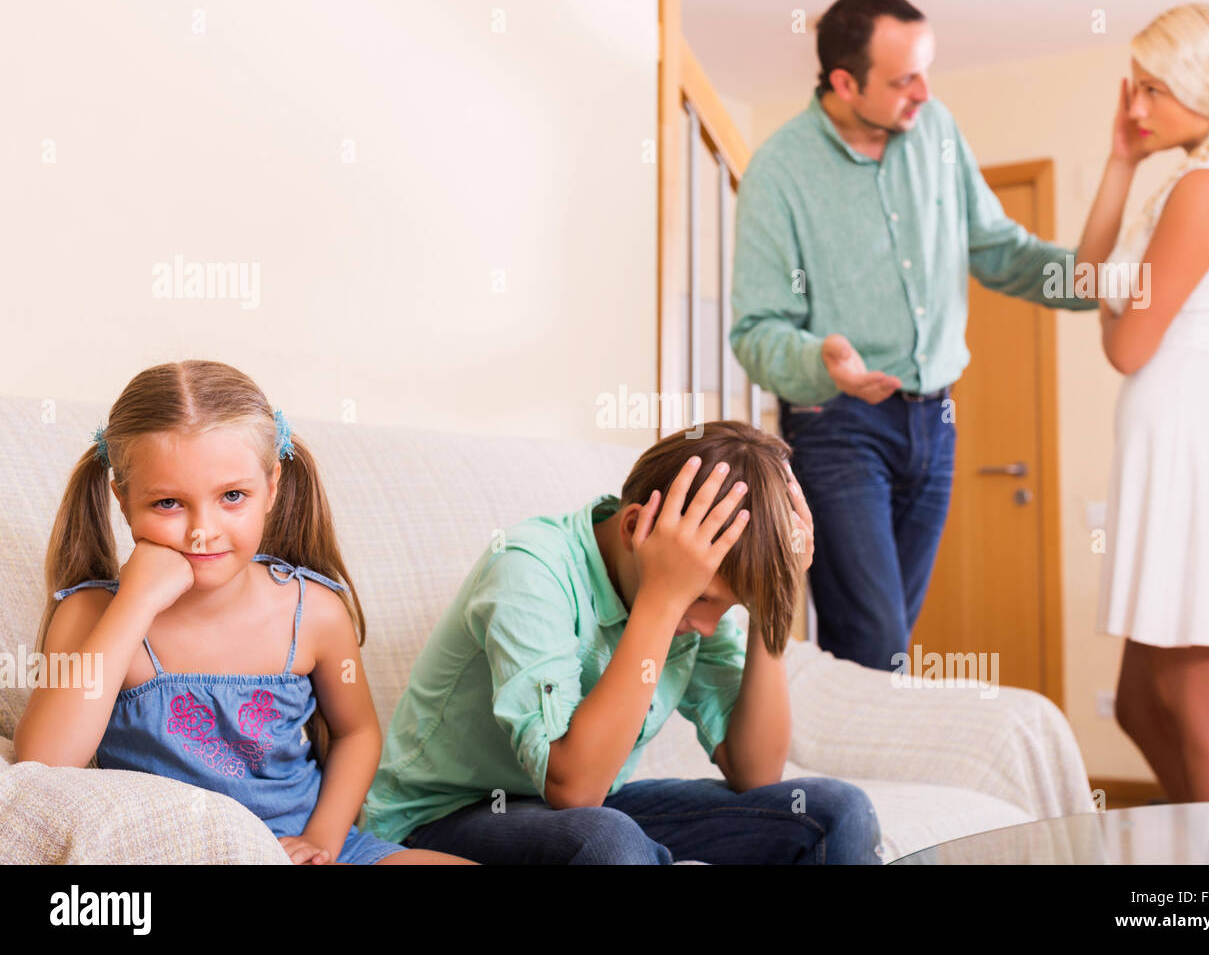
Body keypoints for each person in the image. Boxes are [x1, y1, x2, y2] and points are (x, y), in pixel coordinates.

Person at [729, 0, 1098, 671]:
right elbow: (756, 330)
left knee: (888, 641)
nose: (924, 92)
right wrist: (820, 358)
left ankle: (851, 769)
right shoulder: (779, 172)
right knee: (874, 644)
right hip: (836, 424)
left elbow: (1001, 252)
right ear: (844, 82)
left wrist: (1106, 285)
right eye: (904, 80)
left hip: (936, 423)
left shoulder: (937, 133)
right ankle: (841, 779)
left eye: (926, 70)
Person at [13, 359, 473, 864]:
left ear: (272, 485)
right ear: (122, 498)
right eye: (169, 503)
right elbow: (45, 764)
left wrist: (323, 839)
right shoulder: (92, 612)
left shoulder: (312, 611)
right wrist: (136, 602)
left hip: (308, 849)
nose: (202, 530)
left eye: (233, 496)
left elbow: (357, 732)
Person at [364, 420, 881, 864]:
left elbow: (757, 772)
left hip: (581, 811)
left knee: (836, 812)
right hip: (442, 819)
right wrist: (662, 602)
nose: (708, 625)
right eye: (703, 601)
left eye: (731, 606)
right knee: (607, 839)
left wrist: (775, 605)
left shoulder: (694, 598)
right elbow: (574, 789)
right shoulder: (529, 571)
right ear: (636, 527)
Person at [1080, 4, 1209, 801]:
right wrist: (1119, 160)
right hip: (1178, 454)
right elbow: (1085, 274)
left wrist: (1111, 303)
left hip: (1196, 460)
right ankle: (1206, 851)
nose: (1135, 108)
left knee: (1197, 710)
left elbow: (1125, 345)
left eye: (1154, 90)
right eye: (1133, 89)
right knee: (1141, 703)